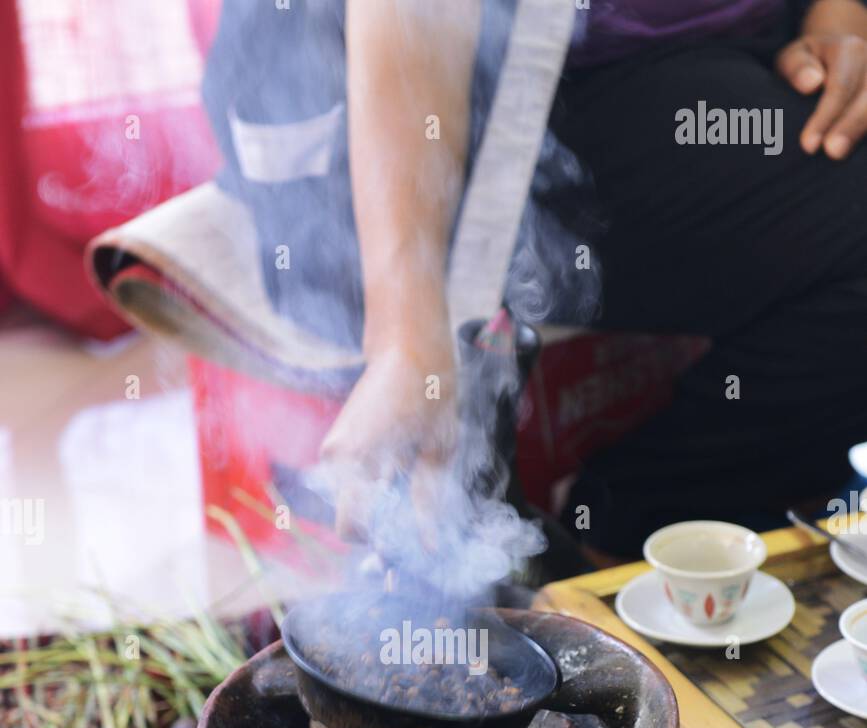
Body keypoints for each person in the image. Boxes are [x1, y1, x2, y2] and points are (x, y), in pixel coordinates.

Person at [205, 0, 867, 564]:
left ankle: (632, 539)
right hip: (453, 82)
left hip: (711, 51)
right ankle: (629, 551)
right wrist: (407, 341)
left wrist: (838, 15)